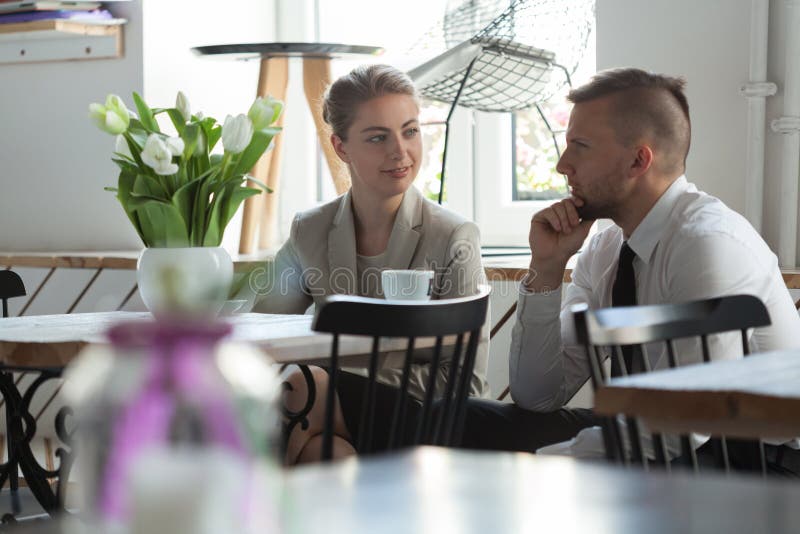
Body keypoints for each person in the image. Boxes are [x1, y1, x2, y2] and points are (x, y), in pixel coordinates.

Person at [460, 67, 800, 469]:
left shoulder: (707, 244)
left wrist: (545, 463)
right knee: (456, 420)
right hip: (660, 443)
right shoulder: (606, 248)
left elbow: (684, 424)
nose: (562, 165)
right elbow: (538, 397)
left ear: (639, 160)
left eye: (580, 146)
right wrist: (547, 268)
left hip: (755, 464)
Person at [252, 64, 488, 464]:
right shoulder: (309, 230)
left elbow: (470, 382)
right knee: (323, 455)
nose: (400, 151)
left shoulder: (453, 236)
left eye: (410, 131)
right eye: (378, 137)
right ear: (341, 147)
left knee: (305, 388)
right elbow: (258, 330)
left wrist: (340, 382)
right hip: (326, 415)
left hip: (419, 419)